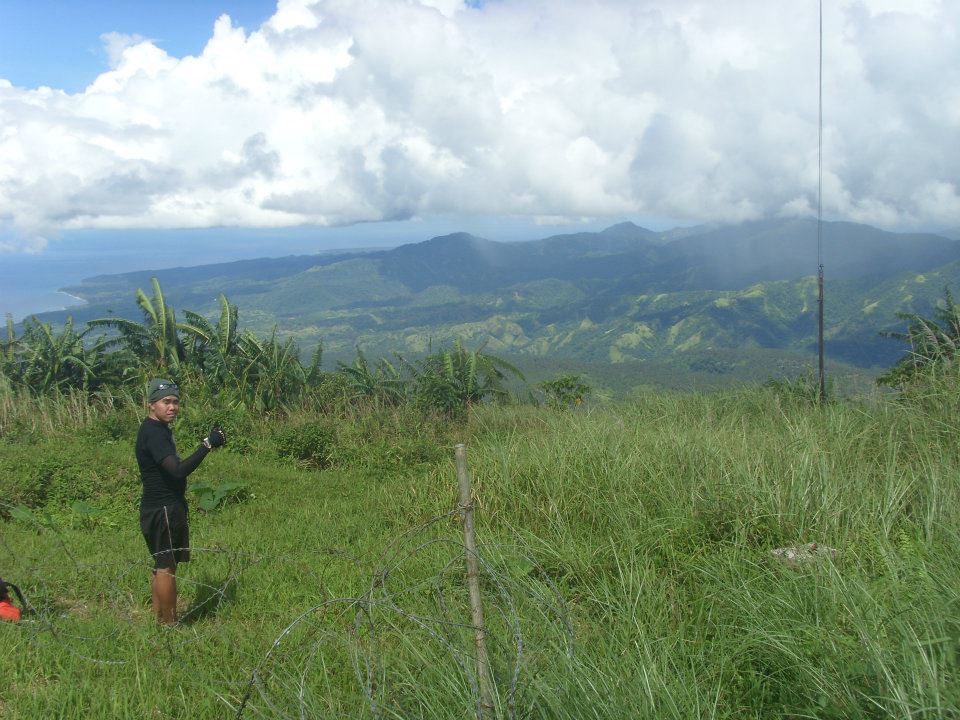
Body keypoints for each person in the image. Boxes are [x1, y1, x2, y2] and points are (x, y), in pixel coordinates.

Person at [136, 379, 225, 625]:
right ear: (151, 404)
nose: (172, 407)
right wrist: (206, 446)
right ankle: (169, 624)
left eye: (175, 402)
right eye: (166, 402)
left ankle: (160, 619)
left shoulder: (155, 429)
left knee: (161, 565)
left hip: (159, 506)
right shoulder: (154, 433)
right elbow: (177, 471)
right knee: (166, 567)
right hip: (163, 509)